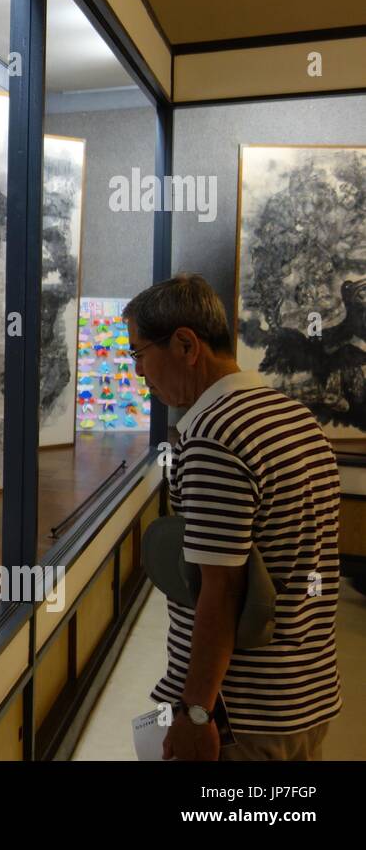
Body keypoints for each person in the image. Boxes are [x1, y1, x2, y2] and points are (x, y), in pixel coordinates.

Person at [125, 274, 342, 761]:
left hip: (241, 713)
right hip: (305, 694)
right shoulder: (292, 416)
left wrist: (196, 712)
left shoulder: (214, 437)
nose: (139, 373)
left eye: (139, 354)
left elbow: (220, 592)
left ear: (185, 344)